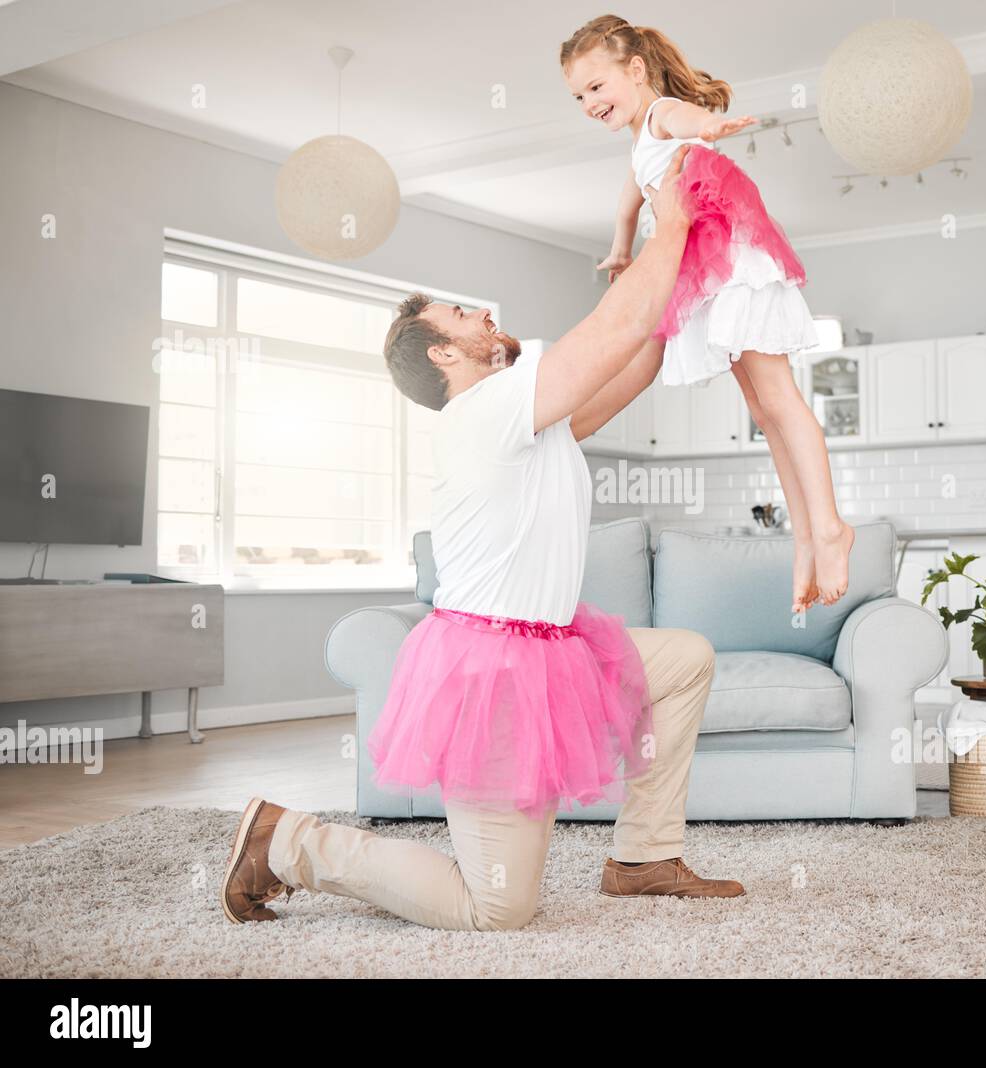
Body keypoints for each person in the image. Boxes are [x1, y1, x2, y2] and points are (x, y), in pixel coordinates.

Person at [220, 143, 744, 933]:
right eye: (462, 316)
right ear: (442, 353)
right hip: (493, 676)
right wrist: (664, 233)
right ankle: (289, 842)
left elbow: (632, 364)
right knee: (498, 907)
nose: (483, 316)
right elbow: (617, 325)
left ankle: (642, 857)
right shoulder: (486, 410)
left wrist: (674, 280)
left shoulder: (528, 419)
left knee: (684, 660)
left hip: (552, 648)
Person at [561, 14, 855, 613]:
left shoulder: (661, 113)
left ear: (635, 71)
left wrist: (713, 126)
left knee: (779, 399)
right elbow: (628, 199)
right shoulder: (638, 143)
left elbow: (686, 120)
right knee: (762, 408)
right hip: (707, 266)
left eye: (596, 86)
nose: (589, 102)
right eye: (578, 96)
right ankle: (804, 536)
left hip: (730, 253)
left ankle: (829, 526)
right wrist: (621, 248)